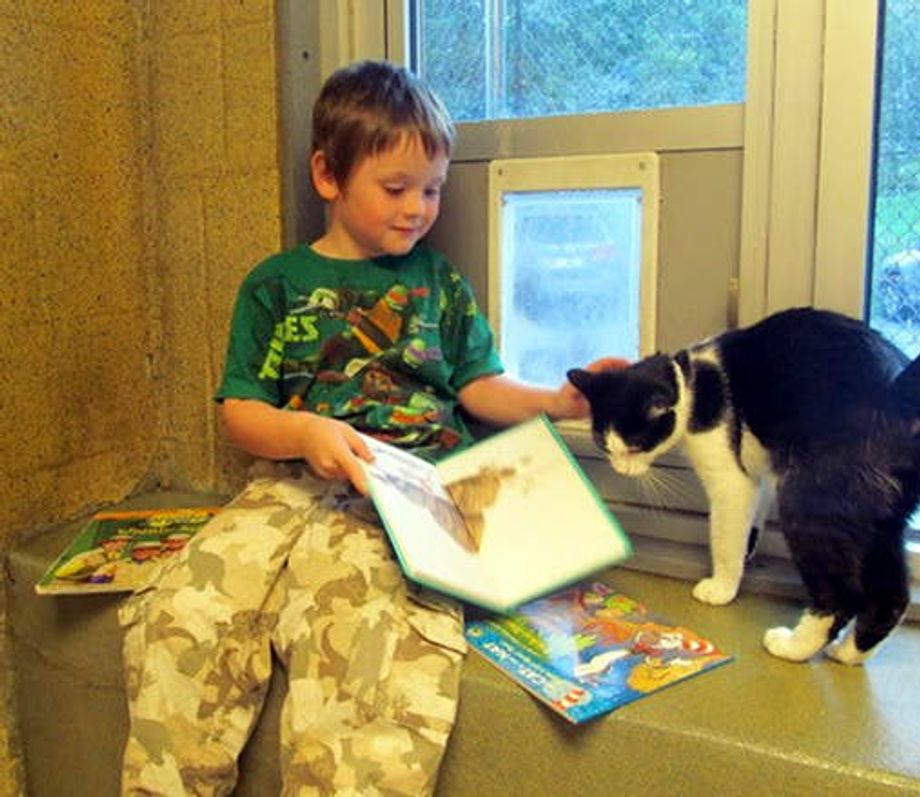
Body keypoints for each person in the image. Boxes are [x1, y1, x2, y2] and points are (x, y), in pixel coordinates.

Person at [119, 59, 623, 796]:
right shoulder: (276, 283)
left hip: (410, 493)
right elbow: (242, 412)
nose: (418, 207)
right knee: (184, 614)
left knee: (372, 656)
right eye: (396, 188)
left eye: (433, 189)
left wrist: (558, 400)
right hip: (292, 485)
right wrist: (306, 434)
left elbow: (479, 387)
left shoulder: (439, 284)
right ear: (328, 176)